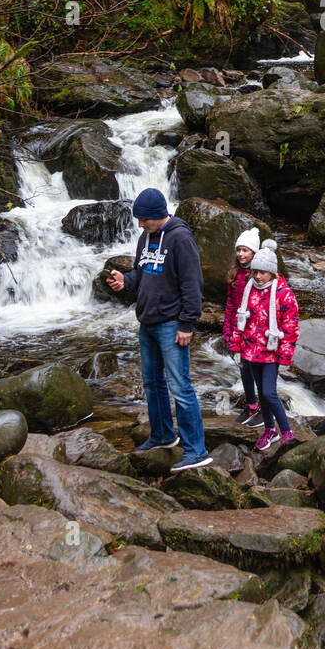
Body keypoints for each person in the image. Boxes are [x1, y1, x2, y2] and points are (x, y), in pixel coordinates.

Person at [106, 187, 212, 472]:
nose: (140, 225)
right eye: (138, 220)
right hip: (147, 322)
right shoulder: (146, 238)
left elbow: (192, 284)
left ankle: (196, 450)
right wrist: (126, 280)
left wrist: (187, 323)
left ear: (158, 215)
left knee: (180, 387)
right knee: (152, 383)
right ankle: (163, 435)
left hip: (171, 324)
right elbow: (144, 273)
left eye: (144, 220)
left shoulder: (180, 238)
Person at [227, 238, 299, 451]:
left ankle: (286, 430)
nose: (258, 276)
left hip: (271, 352)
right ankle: (270, 430)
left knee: (269, 393)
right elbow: (241, 321)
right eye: (255, 272)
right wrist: (237, 347)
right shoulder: (250, 290)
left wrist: (286, 356)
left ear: (273, 273)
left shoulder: (283, 293)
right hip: (251, 351)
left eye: (263, 272)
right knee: (261, 392)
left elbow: (291, 326)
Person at [223, 228, 264, 426]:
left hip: (256, 331)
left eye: (245, 250)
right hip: (238, 331)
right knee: (244, 369)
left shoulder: (260, 275)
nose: (241, 254)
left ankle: (265, 409)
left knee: (258, 369)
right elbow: (231, 305)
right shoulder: (235, 274)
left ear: (254, 253)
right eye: (238, 250)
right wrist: (228, 331)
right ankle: (251, 405)